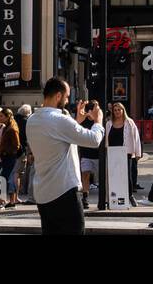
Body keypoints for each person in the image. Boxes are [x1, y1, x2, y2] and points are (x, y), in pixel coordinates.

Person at [25, 77, 104, 235]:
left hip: (43, 193)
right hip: (64, 191)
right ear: (58, 96)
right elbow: (94, 140)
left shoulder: (32, 121)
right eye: (67, 96)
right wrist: (98, 121)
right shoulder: (59, 120)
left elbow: (57, 138)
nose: (67, 101)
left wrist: (75, 122)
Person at [106, 103, 142, 206]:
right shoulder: (109, 123)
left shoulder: (129, 122)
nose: (117, 112)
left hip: (126, 152)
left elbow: (136, 137)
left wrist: (137, 152)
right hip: (113, 153)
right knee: (113, 175)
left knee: (127, 175)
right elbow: (106, 140)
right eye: (115, 110)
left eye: (119, 110)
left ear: (123, 110)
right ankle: (113, 198)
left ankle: (130, 196)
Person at [0, 108, 21, 209]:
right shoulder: (7, 126)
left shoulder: (12, 128)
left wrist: (4, 149)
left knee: (5, 178)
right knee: (6, 178)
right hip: (6, 156)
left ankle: (5, 201)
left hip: (9, 156)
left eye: (1, 116)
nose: (0, 118)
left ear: (7, 117)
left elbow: (16, 145)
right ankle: (9, 201)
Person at [78, 102, 100, 208]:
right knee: (85, 175)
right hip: (86, 153)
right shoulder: (83, 121)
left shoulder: (100, 121)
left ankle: (103, 197)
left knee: (102, 177)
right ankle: (85, 197)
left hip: (99, 154)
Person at [15, 103, 33, 202]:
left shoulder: (13, 120)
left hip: (10, 151)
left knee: (14, 173)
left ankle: (13, 195)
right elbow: (28, 138)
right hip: (21, 150)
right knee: (18, 173)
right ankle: (16, 196)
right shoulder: (26, 122)